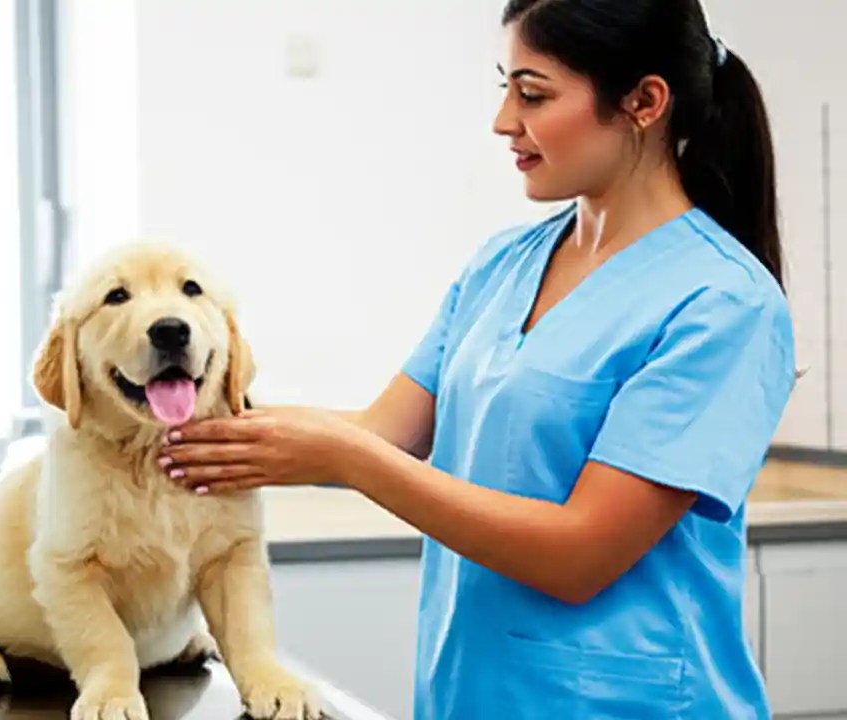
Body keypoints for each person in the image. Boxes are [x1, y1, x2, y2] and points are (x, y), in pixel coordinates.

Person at [158, 1, 797, 718]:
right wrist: (181, 418)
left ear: (644, 102)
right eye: (506, 88)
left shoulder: (723, 303)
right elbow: (384, 431)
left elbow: (579, 554)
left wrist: (345, 459)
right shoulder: (504, 265)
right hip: (473, 695)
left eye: (533, 93)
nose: (503, 121)